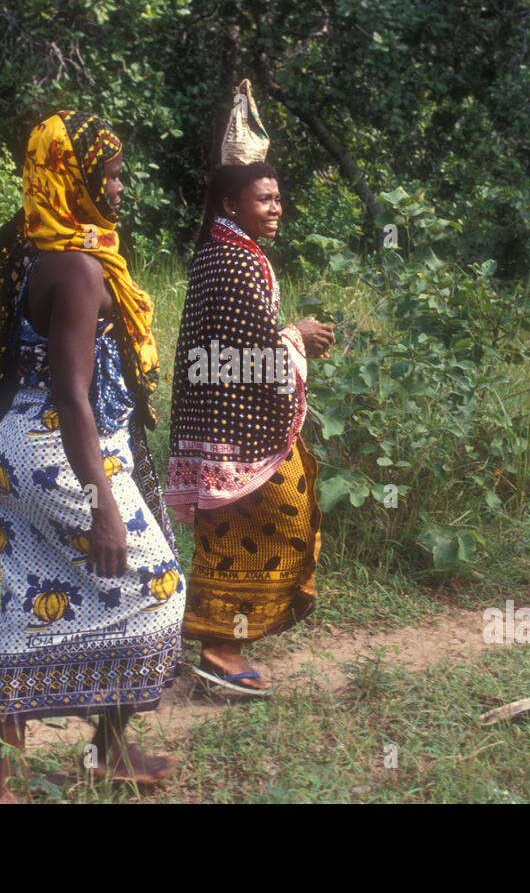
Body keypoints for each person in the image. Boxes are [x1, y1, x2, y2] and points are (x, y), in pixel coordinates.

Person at [0, 111, 182, 801]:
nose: (120, 185)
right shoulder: (77, 268)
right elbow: (75, 395)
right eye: (108, 173)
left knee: (32, 595)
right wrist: (104, 502)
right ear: (71, 176)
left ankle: (20, 775)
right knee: (157, 586)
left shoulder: (37, 247)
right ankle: (104, 748)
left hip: (17, 450)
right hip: (63, 450)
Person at [166, 161, 335, 693]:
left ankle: (218, 648)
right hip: (233, 433)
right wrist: (296, 334)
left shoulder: (228, 254)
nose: (276, 208)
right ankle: (218, 646)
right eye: (264, 199)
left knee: (235, 527)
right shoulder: (234, 262)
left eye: (278, 198)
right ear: (231, 205)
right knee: (279, 514)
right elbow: (253, 352)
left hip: (225, 422)